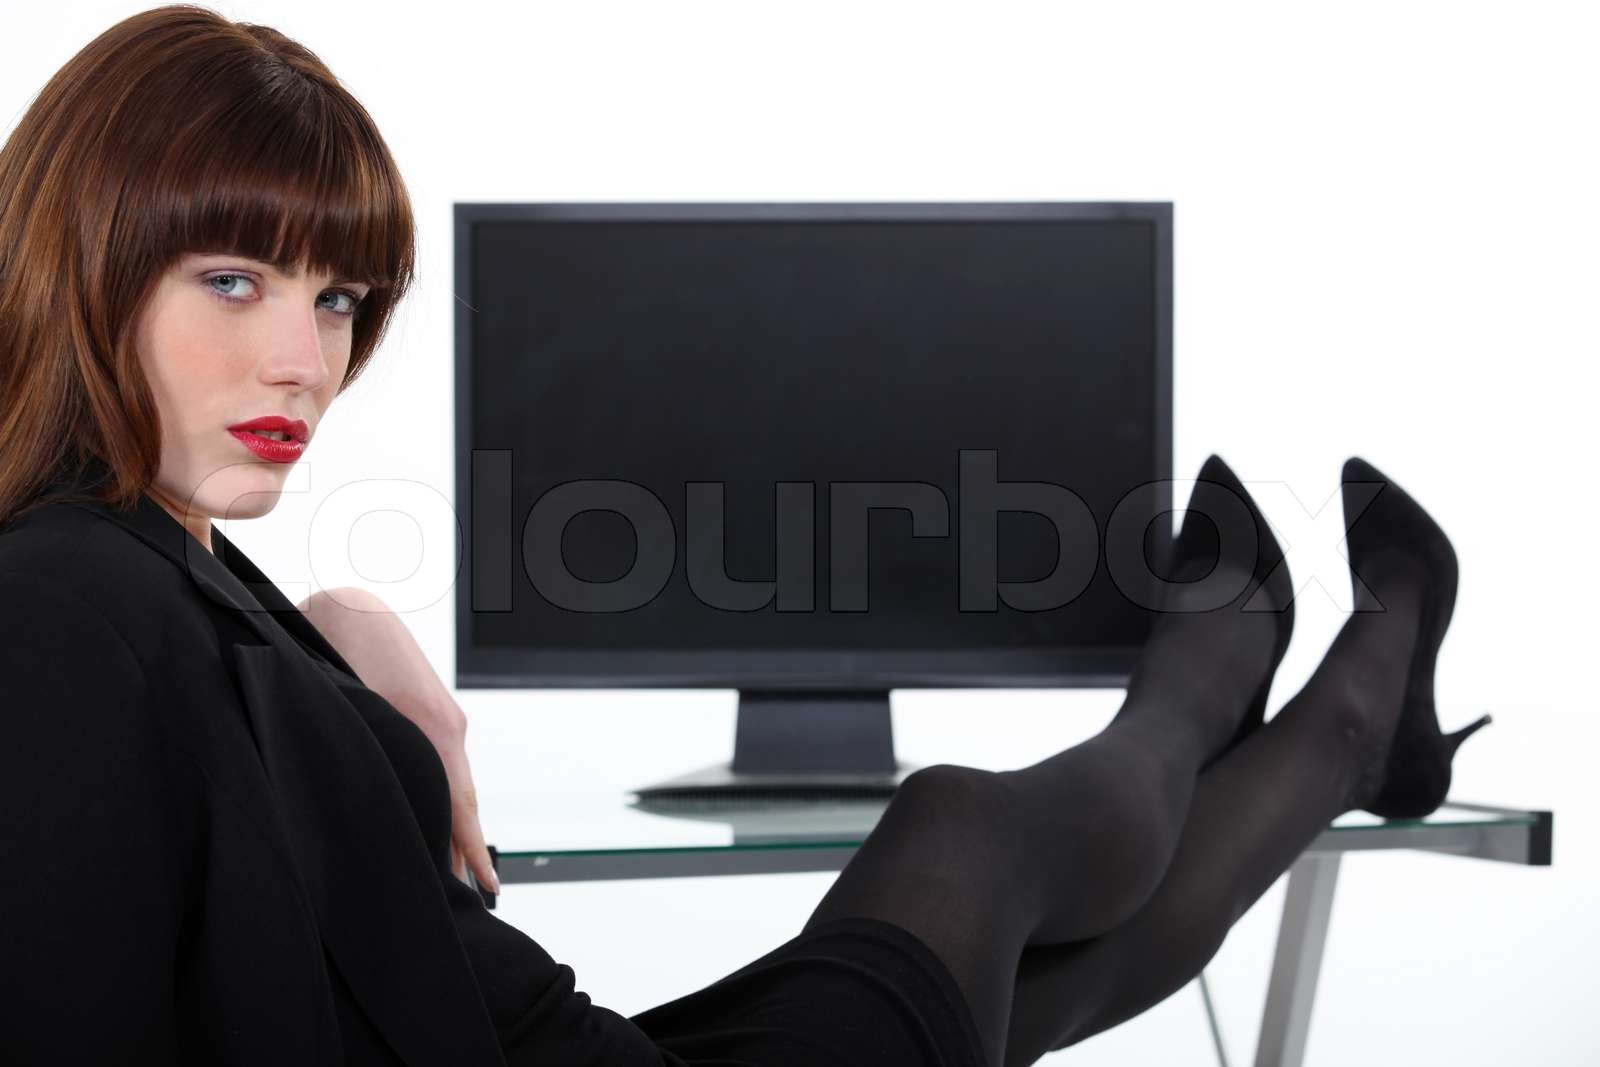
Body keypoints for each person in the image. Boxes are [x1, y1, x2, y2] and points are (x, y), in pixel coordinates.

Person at [0, 6, 1492, 1066]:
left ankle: (1336, 716)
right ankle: (1251, 697)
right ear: (84, 263)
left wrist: (344, 625)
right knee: (960, 838)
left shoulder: (136, 552)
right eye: (235, 281)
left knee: (1002, 981)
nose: (305, 362)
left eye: (335, 299)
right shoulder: (59, 595)